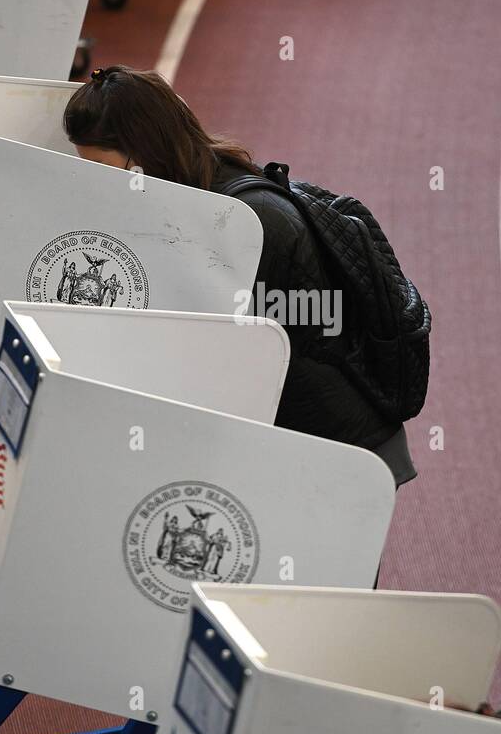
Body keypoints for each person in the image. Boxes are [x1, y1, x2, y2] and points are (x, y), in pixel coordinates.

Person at [63, 65, 417, 488]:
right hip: (291, 440)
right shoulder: (195, 200)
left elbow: (275, 346)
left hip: (339, 447)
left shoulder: (255, 222)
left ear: (144, 150)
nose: (101, 186)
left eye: (107, 170)